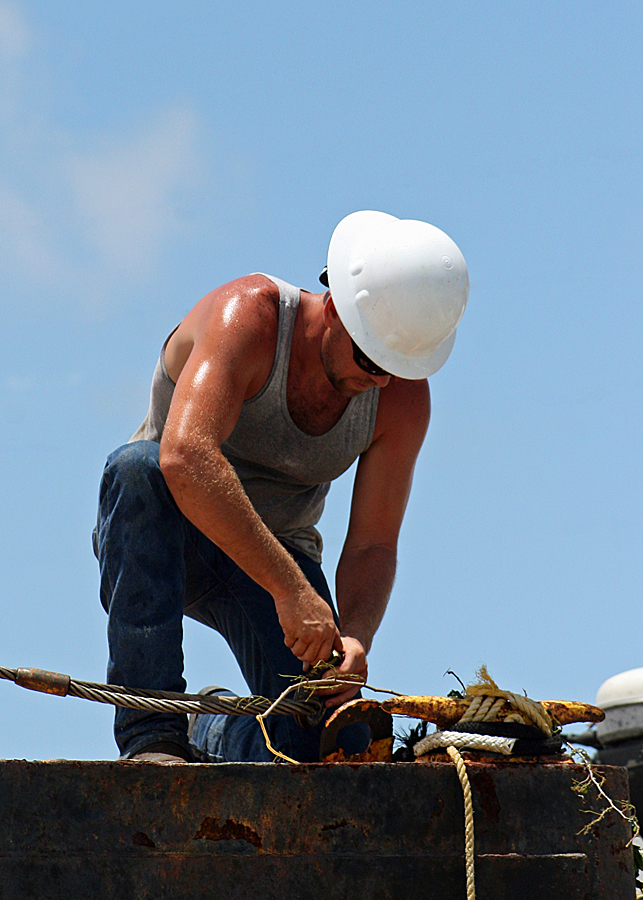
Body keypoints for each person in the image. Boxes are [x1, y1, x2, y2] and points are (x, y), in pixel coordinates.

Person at [94, 210, 469, 763]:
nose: (378, 380)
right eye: (370, 358)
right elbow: (186, 457)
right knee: (137, 469)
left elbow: (373, 544)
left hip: (281, 559)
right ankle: (154, 738)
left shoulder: (401, 400)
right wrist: (291, 591)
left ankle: (214, 730)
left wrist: (355, 636)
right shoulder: (248, 318)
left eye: (394, 368)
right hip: (167, 534)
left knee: (328, 747)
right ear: (336, 306)